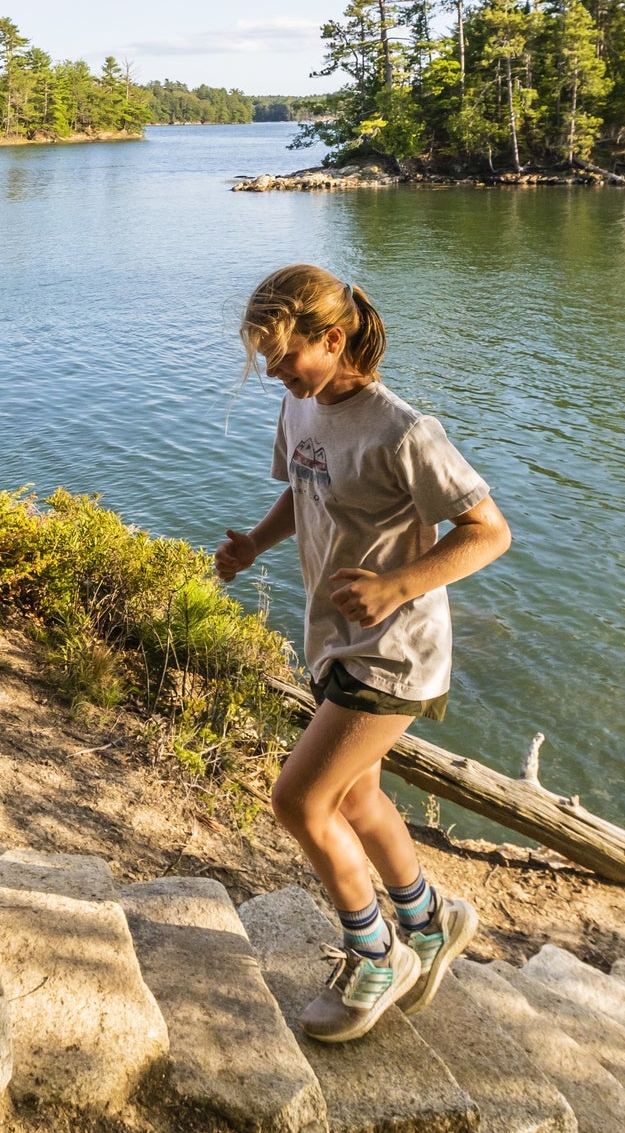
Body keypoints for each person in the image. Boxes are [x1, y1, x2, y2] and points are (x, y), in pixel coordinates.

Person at [216, 264, 511, 1044]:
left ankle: (377, 956)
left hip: (395, 650)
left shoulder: (403, 431)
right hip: (336, 640)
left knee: (298, 801)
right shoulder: (300, 404)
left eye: (285, 356)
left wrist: (395, 585)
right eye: (267, 359)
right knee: (354, 800)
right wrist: (254, 543)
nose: (275, 373)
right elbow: (304, 489)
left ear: (333, 338)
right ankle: (430, 920)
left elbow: (489, 530)